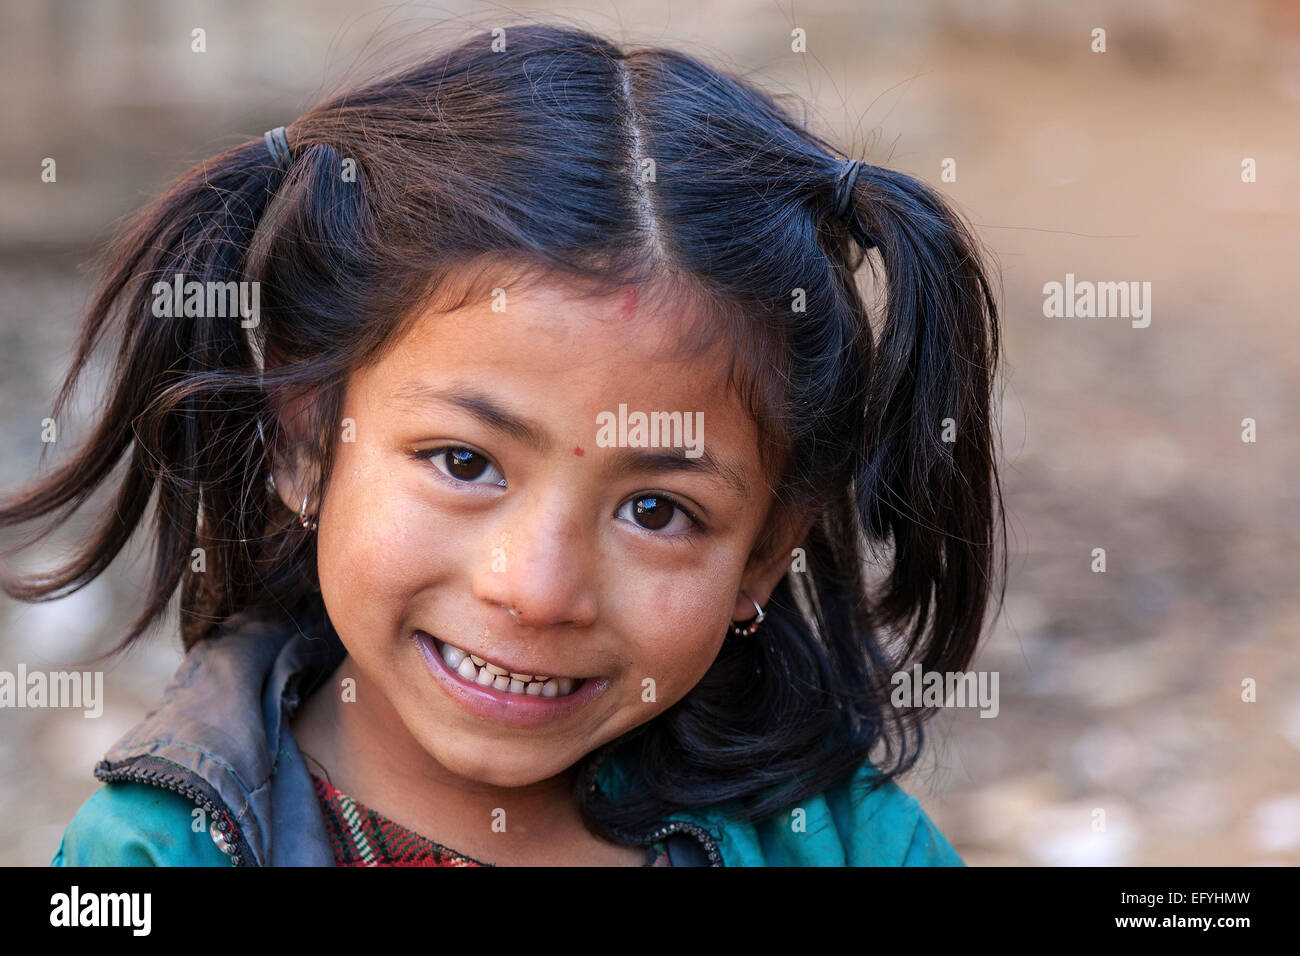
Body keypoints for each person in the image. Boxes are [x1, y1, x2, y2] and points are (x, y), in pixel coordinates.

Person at [2, 22, 1005, 866]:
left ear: (762, 551)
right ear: (308, 437)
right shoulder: (159, 855)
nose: (535, 588)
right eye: (464, 461)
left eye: (656, 510)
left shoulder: (840, 842)